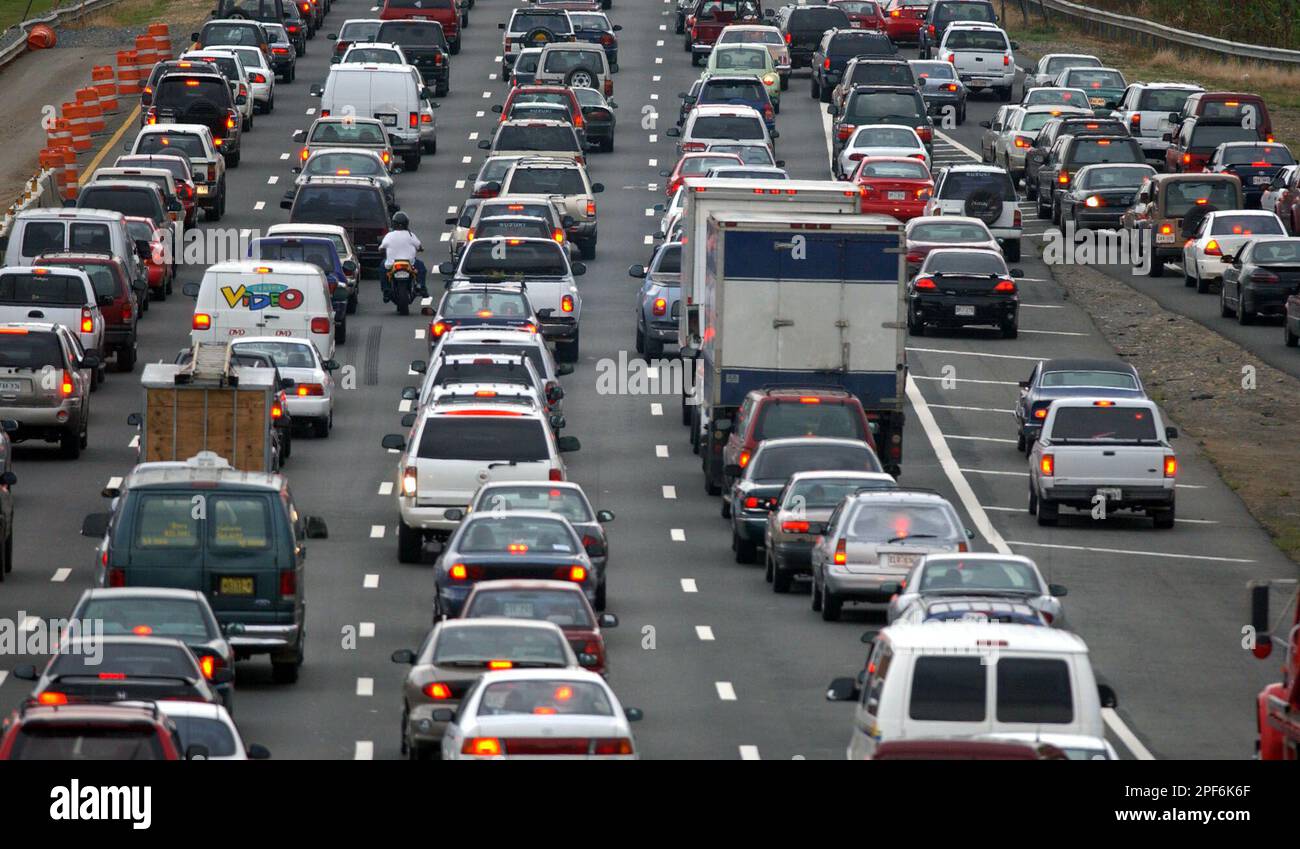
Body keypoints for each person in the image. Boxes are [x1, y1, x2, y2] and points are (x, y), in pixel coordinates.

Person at [379, 211, 427, 300]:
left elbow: (381, 247)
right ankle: (421, 287)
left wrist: (381, 249)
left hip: (391, 264)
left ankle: (386, 290)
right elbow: (419, 245)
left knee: (382, 268)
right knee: (421, 267)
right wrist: (420, 249)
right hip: (410, 263)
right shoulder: (410, 235)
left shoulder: (389, 235)